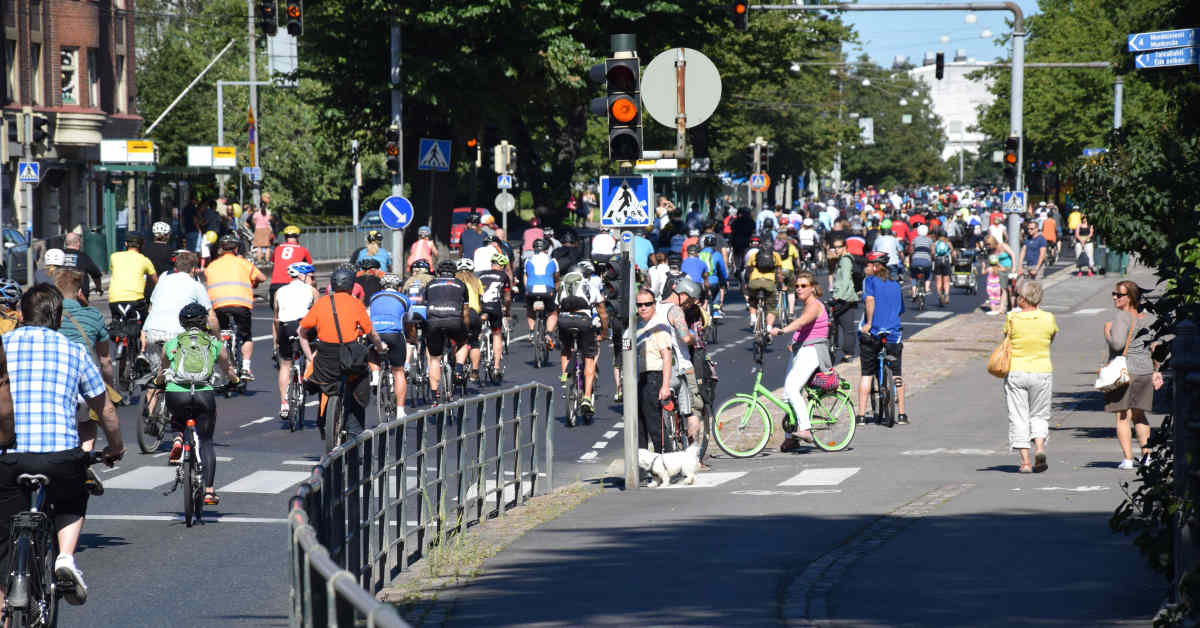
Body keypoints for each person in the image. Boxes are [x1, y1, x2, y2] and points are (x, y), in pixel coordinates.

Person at [0, 284, 124, 608]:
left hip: (8, 456)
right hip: (59, 457)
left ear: (21, 315)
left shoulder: (3, 345)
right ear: (57, 318)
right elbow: (104, 408)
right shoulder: (74, 351)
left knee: (2, 538)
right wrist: (115, 446)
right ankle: (66, 557)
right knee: (71, 497)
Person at [158, 303, 240, 502]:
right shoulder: (213, 344)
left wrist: (159, 382)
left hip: (177, 394)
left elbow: (162, 371)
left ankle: (178, 437)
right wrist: (234, 380)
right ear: (204, 321)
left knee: (177, 415)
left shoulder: (173, 343)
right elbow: (227, 368)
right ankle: (210, 492)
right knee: (206, 441)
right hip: (203, 394)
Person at [299, 267, 388, 438]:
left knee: (323, 384)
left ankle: (323, 419)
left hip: (325, 358)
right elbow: (371, 333)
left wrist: (310, 357)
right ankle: (355, 431)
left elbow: (301, 331)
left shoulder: (322, 302)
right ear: (351, 286)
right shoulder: (355, 303)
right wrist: (380, 347)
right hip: (349, 355)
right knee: (359, 383)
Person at [139, 251, 217, 421]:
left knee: (157, 376)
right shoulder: (196, 285)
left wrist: (144, 332)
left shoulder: (163, 281)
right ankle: (178, 415)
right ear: (194, 269)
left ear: (175, 267)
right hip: (177, 333)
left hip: (153, 331)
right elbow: (210, 316)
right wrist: (216, 336)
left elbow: (151, 308)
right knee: (180, 376)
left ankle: (152, 417)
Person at [769, 271, 830, 451]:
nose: (799, 289)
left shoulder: (814, 305)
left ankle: (805, 429)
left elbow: (802, 322)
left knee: (793, 388)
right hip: (801, 349)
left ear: (812, 288)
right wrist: (794, 341)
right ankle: (791, 437)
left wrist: (782, 331)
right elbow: (803, 329)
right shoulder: (806, 304)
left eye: (803, 286)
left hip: (812, 350)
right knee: (787, 396)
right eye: (797, 286)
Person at [1105, 280, 1160, 470]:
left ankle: (1128, 459)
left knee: (1122, 416)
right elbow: (1156, 347)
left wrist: (1107, 333)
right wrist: (1156, 370)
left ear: (1130, 297)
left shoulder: (1121, 318)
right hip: (1144, 369)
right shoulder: (1149, 319)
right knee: (1140, 415)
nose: (1114, 297)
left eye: (1118, 295)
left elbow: (1117, 346)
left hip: (1125, 370)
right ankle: (1147, 455)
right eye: (1114, 294)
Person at [1004, 280, 1056, 473]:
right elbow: (1050, 339)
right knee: (1039, 414)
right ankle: (1040, 448)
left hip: (1017, 370)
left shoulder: (1012, 318)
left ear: (1023, 299)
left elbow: (1006, 341)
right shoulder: (1048, 318)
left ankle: (1025, 462)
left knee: (1018, 415)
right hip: (1042, 370)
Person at [205, 234, 266, 380]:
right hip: (241, 304)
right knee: (245, 336)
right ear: (237, 248)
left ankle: (216, 368)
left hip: (218, 305)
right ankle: (245, 368)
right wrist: (254, 283)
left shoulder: (211, 266)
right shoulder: (244, 263)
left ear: (221, 249)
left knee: (217, 336)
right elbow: (262, 278)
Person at [857, 252, 907, 426]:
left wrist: (869, 323)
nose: (865, 268)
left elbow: (869, 301)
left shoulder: (869, 281)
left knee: (867, 373)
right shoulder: (895, 284)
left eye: (868, 264)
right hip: (893, 332)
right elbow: (900, 310)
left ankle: (862, 416)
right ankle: (901, 414)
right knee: (897, 372)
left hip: (874, 332)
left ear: (875, 266)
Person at [555, 265, 608, 419]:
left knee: (566, 349)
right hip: (584, 321)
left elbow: (556, 307)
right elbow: (602, 312)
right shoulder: (589, 286)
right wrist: (604, 332)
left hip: (564, 321)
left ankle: (565, 376)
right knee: (588, 358)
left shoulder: (563, 286)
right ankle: (586, 397)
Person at [422, 261, 470, 404]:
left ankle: (435, 395)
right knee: (463, 343)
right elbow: (466, 311)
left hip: (434, 322)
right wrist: (466, 329)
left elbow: (425, 306)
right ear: (455, 273)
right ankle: (459, 369)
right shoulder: (461, 284)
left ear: (438, 272)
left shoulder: (430, 284)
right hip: (454, 321)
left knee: (435, 358)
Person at [274, 262, 317, 420]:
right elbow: (319, 314)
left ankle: (284, 403)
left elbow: (276, 319)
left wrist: (276, 342)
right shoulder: (311, 290)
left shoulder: (279, 291)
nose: (312, 279)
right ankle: (308, 376)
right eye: (310, 276)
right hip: (303, 326)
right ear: (302, 275)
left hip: (285, 327)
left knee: (285, 363)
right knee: (316, 349)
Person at [634, 289, 674, 452]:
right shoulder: (636, 325)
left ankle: (666, 462)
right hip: (639, 379)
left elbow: (667, 355)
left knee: (655, 426)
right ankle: (642, 469)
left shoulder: (659, 326)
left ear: (654, 305)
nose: (643, 308)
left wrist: (665, 386)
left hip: (653, 378)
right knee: (639, 426)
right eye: (639, 305)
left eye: (647, 304)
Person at [367, 273, 409, 417]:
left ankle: (375, 375)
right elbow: (409, 319)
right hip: (394, 333)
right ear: (398, 287)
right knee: (398, 371)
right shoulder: (404, 298)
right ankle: (400, 410)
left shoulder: (374, 297)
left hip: (375, 332)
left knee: (371, 350)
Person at [108, 233, 158, 327]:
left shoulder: (114, 256)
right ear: (141, 246)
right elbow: (155, 280)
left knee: (116, 323)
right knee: (144, 324)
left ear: (126, 244)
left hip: (114, 299)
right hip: (135, 300)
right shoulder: (145, 260)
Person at [477, 253, 511, 379]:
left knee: (476, 330)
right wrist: (507, 310)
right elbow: (507, 297)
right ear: (502, 266)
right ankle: (496, 367)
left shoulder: (481, 275)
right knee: (497, 333)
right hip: (494, 306)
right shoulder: (504, 276)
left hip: (480, 306)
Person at [827, 239, 859, 364]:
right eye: (834, 247)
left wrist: (837, 297)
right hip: (842, 296)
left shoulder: (845, 260)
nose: (836, 249)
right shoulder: (842, 259)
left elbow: (845, 280)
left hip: (846, 298)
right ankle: (839, 348)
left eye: (839, 247)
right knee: (837, 323)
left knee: (847, 327)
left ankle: (848, 353)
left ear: (845, 247)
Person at [268, 225, 313, 311]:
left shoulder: (278, 248)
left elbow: (273, 262)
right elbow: (310, 270)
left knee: (276, 313)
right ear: (297, 236)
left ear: (285, 237)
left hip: (275, 284)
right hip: (291, 285)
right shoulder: (303, 250)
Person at [454, 258, 485, 381]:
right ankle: (475, 371)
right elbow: (481, 300)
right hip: (473, 313)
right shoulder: (476, 280)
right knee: (474, 341)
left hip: (457, 313)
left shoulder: (455, 281)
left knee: (457, 339)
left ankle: (457, 367)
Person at [523, 239, 559, 345]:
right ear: (547, 250)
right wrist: (556, 289)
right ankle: (548, 334)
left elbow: (526, 277)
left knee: (530, 310)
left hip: (531, 290)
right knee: (553, 312)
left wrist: (527, 289)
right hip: (547, 290)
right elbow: (556, 278)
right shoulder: (553, 261)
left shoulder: (528, 261)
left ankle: (532, 332)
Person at [62, 232, 102, 299]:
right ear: (78, 243)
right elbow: (95, 274)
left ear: (66, 243)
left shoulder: (59, 256)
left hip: (62, 295)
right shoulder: (83, 256)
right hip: (80, 297)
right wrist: (98, 288)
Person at [908, 224, 935, 302]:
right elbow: (933, 252)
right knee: (929, 273)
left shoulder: (915, 239)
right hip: (926, 261)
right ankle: (927, 287)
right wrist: (932, 258)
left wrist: (911, 259)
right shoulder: (930, 240)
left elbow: (911, 251)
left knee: (913, 275)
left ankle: (913, 292)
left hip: (916, 260)